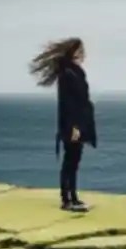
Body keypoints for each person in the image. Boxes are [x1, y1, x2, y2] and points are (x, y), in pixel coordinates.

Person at [29, 37, 97, 212]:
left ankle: (73, 198)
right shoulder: (67, 74)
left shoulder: (75, 71)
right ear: (71, 52)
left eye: (83, 51)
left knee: (74, 162)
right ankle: (66, 200)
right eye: (79, 51)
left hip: (79, 123)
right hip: (72, 125)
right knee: (70, 162)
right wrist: (74, 127)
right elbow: (69, 104)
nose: (82, 54)